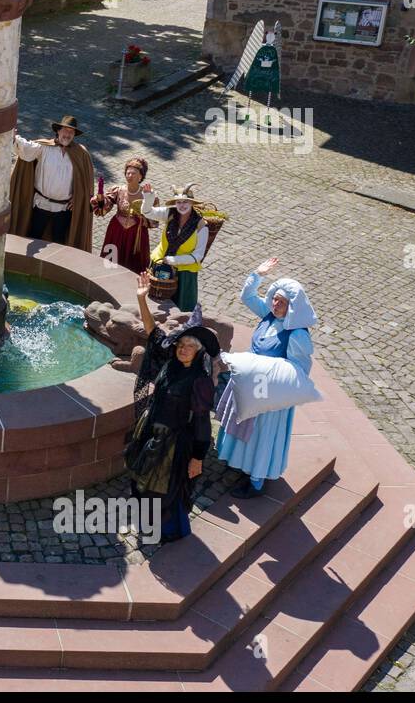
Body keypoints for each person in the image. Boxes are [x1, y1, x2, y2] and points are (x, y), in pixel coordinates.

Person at [125, 270, 219, 543]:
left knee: (164, 490)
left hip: (175, 444)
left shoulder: (200, 382)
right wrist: (142, 299)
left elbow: (202, 422)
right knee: (143, 481)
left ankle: (168, 532)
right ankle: (149, 523)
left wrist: (197, 458)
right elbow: (154, 333)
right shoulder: (170, 360)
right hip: (152, 433)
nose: (183, 348)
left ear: (200, 350)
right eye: (181, 343)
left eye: (190, 345)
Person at [218, 258, 318, 499]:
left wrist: (267, 370)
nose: (275, 304)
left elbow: (299, 371)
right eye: (274, 298)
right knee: (242, 426)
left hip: (269, 396)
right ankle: (240, 464)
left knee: (261, 436)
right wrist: (258, 274)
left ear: (292, 306)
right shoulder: (269, 315)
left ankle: (256, 481)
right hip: (249, 384)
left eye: (281, 302)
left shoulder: (297, 335)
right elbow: (248, 297)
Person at [9, 114, 96, 251]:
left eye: (71, 132)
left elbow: (85, 181)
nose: (67, 135)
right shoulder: (44, 148)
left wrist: (78, 196)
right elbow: (25, 149)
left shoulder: (80, 154)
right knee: (33, 238)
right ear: (58, 131)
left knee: (59, 245)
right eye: (65, 130)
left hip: (63, 209)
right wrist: (14, 138)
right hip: (41, 205)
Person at [145, 183, 209, 312]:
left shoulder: (201, 226)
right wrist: (148, 197)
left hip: (184, 274)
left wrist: (175, 260)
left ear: (192, 203)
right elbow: (147, 212)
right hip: (160, 264)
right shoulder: (169, 213)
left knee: (181, 311)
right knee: (155, 304)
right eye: (179, 202)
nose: (182, 205)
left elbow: (198, 255)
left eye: (185, 202)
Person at [94, 158, 157, 274]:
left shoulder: (146, 194)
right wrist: (101, 199)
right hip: (116, 230)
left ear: (140, 177)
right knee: (111, 260)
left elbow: (154, 217)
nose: (130, 175)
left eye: (133, 173)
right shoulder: (118, 190)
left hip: (136, 234)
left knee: (134, 264)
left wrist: (144, 212)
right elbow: (105, 205)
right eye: (128, 173)